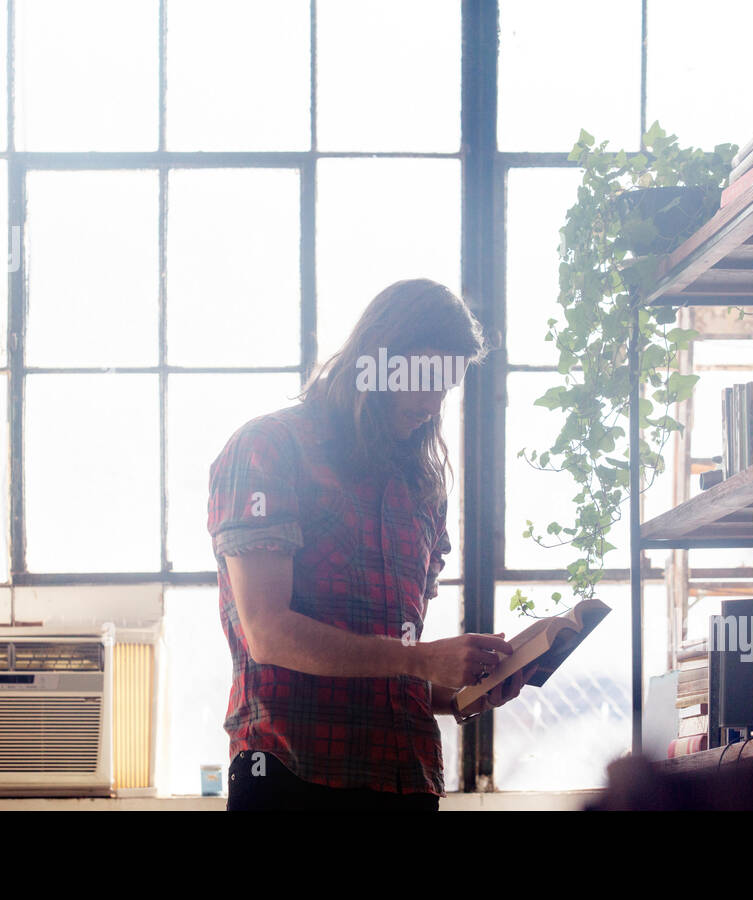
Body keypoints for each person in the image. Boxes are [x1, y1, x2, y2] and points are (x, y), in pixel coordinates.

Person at [207, 279, 539, 810]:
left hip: (406, 779)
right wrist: (421, 659)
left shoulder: (422, 486)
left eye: (446, 388)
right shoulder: (268, 448)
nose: (433, 404)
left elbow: (397, 670)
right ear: (377, 360)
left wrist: (466, 689)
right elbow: (267, 633)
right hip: (291, 774)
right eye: (425, 380)